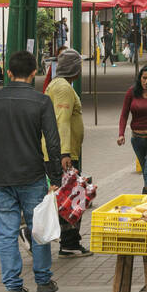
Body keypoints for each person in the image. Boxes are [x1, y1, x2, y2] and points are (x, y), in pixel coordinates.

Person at [0, 49, 69, 292]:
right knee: (38, 228)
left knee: (6, 233)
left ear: (8, 72)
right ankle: (43, 282)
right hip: (33, 175)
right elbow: (52, 141)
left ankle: (14, 288)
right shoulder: (41, 101)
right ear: (35, 72)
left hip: (1, 176)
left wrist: (3, 133)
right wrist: (56, 176)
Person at [42, 47, 89, 257]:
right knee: (67, 198)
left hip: (62, 153)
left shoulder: (60, 85)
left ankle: (69, 242)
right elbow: (61, 121)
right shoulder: (63, 88)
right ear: (75, 70)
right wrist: (65, 154)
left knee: (68, 198)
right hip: (61, 155)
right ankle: (30, 231)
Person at [118, 65, 147, 193]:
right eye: (144, 78)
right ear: (140, 78)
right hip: (136, 139)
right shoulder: (132, 92)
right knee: (145, 167)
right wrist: (121, 134)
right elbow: (124, 114)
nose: (146, 82)